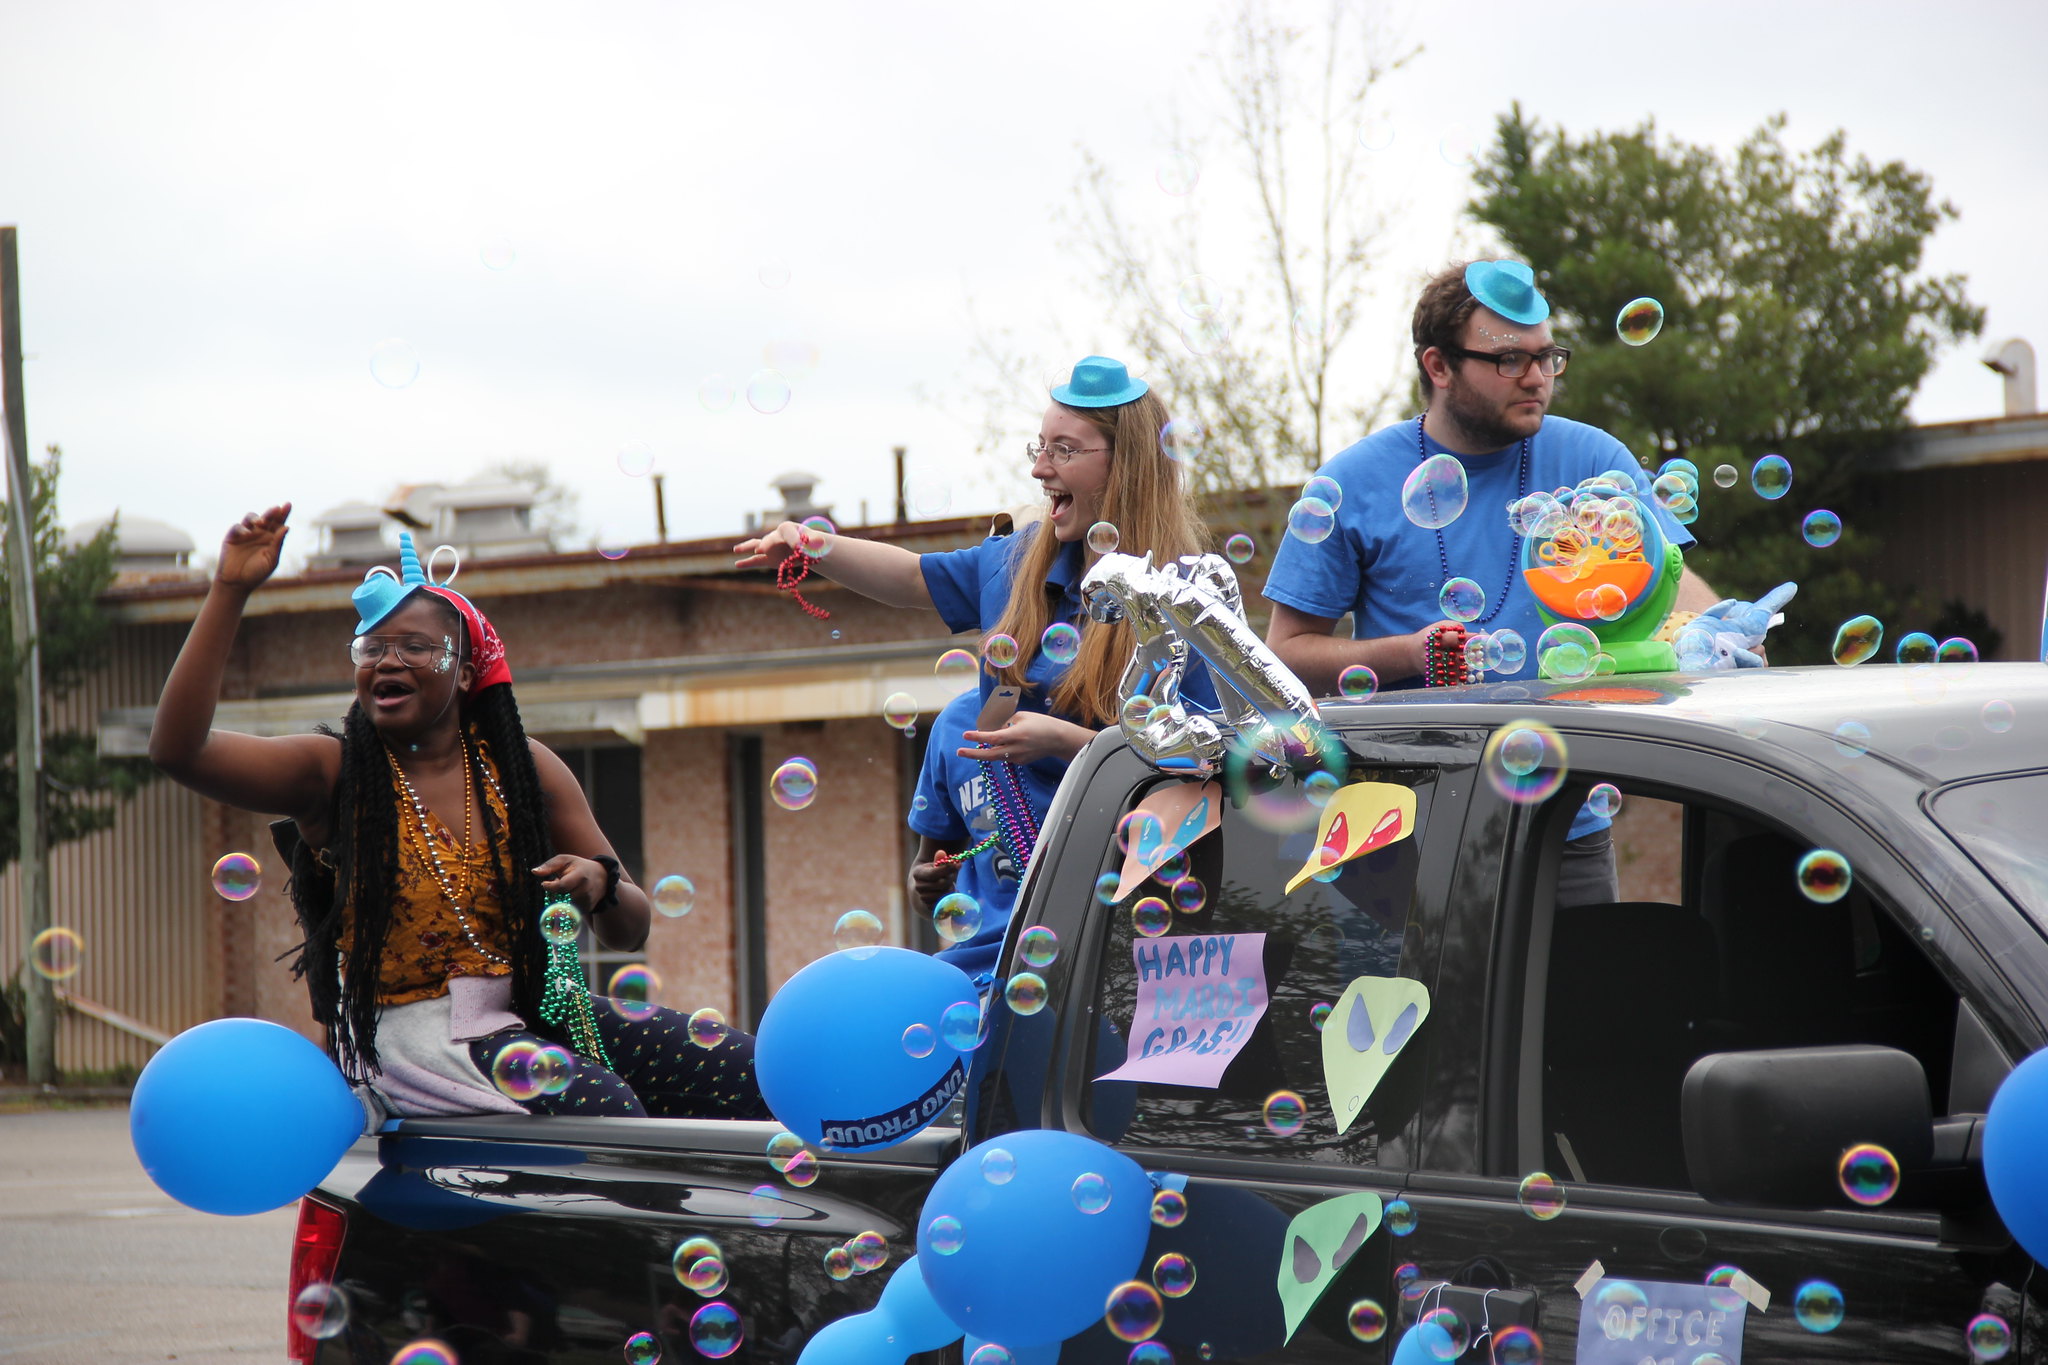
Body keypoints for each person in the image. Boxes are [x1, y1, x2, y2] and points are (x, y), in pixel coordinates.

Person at [150, 505, 768, 1121]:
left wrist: (601, 883)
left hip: (534, 1013)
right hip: (417, 1040)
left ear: (467, 671)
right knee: (610, 1113)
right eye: (372, 648)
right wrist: (230, 589)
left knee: (749, 1073)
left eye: (415, 647)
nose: (387, 662)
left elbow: (630, 929)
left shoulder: (522, 768)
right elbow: (180, 751)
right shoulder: (333, 772)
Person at [1261, 261, 1738, 905]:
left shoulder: (1593, 460)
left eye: (1548, 357)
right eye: (1511, 360)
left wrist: (1722, 638)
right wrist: (1409, 654)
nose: (1537, 379)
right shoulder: (1353, 481)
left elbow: (1673, 583)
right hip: (1404, 825)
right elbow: (1284, 655)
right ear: (1438, 366)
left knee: (1572, 1005)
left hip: (1565, 816)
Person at [735, 355, 1212, 908]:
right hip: (1017, 916)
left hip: (1127, 909)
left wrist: (1069, 745)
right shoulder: (1015, 565)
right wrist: (810, 544)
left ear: (1124, 464)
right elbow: (913, 577)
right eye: (1040, 447)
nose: (1039, 469)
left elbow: (1204, 771)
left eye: (1064, 450)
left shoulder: (1185, 600)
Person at [906, 688, 1062, 980]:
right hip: (984, 968)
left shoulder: (1104, 704)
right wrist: (929, 889)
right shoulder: (954, 724)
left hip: (1085, 949)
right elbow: (923, 872)